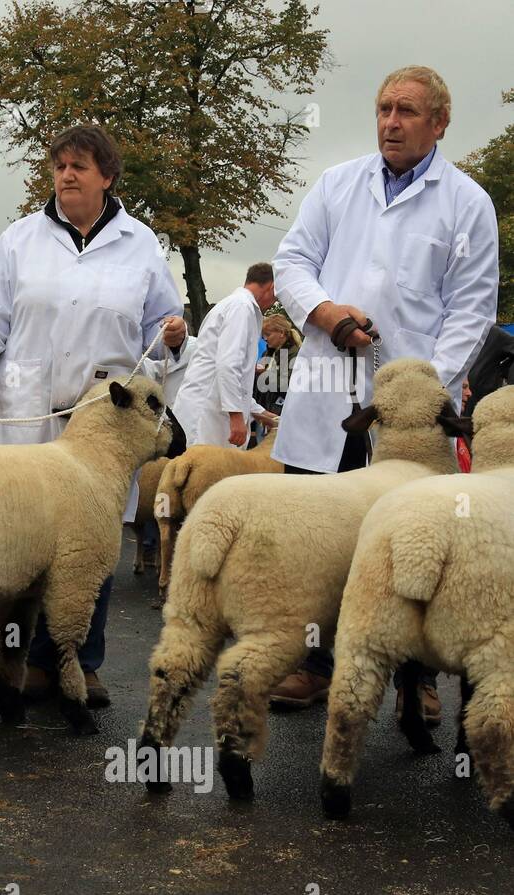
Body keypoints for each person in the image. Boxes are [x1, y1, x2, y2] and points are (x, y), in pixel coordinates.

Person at [0, 123, 184, 708]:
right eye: (59, 165)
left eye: (79, 167)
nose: (66, 175)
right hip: (29, 415)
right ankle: (18, 659)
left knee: (89, 547)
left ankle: (77, 662)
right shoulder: (19, 239)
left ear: (107, 177)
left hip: (100, 426)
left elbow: (161, 331)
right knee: (23, 541)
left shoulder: (141, 244)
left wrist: (173, 335)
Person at [268, 65, 498, 719]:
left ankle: (416, 679)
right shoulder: (338, 185)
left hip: (409, 409)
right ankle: (314, 661)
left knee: (415, 541)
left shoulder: (466, 204)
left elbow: (472, 308)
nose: (390, 122)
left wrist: (423, 387)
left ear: (439, 124)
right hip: (327, 390)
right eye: (383, 109)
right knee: (319, 536)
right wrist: (327, 312)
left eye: (406, 111)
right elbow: (292, 262)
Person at [170, 263, 280, 448]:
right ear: (272, 287)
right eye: (276, 296)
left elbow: (239, 379)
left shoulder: (235, 306)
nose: (274, 303)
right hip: (206, 418)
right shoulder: (241, 308)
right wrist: (236, 416)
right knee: (204, 474)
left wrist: (262, 414)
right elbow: (228, 365)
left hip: (210, 411)